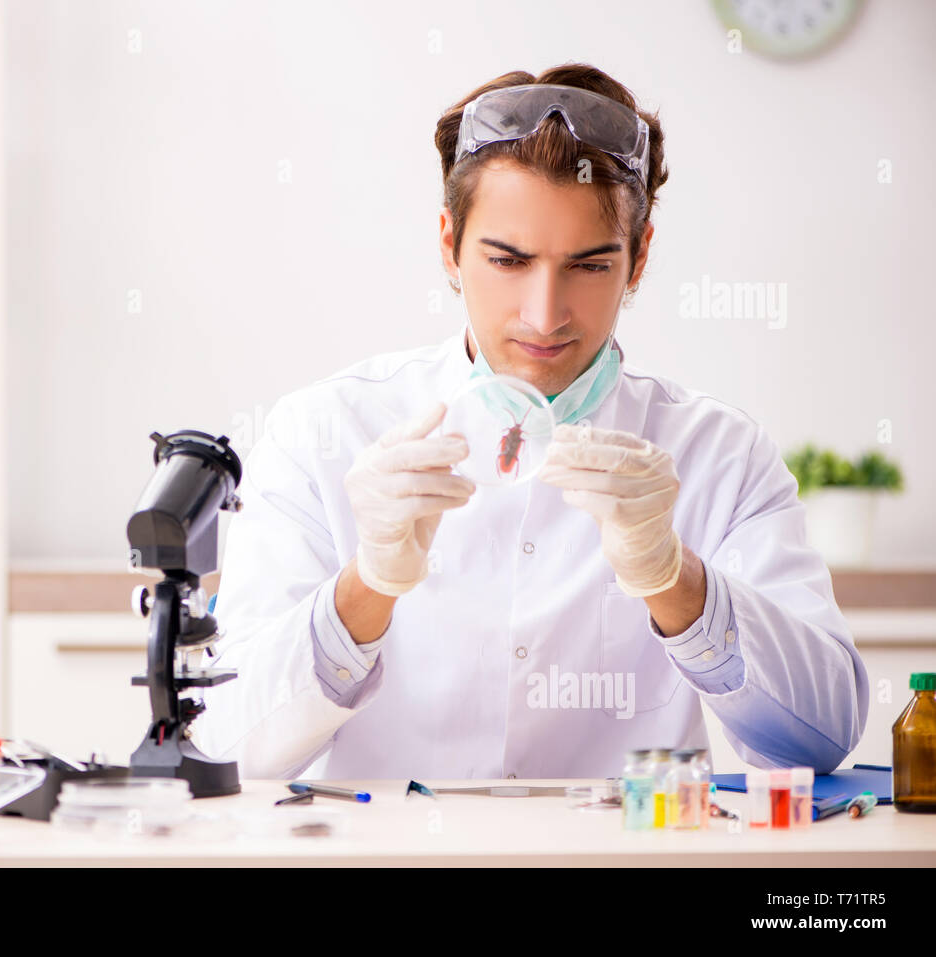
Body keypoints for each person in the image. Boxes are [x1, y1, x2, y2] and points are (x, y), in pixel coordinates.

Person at [192, 64, 867, 781]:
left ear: (638, 259)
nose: (544, 316)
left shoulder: (720, 453)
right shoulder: (323, 432)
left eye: (589, 265)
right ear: (449, 243)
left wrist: (678, 583)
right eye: (508, 260)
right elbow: (231, 747)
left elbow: (822, 737)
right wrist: (367, 586)